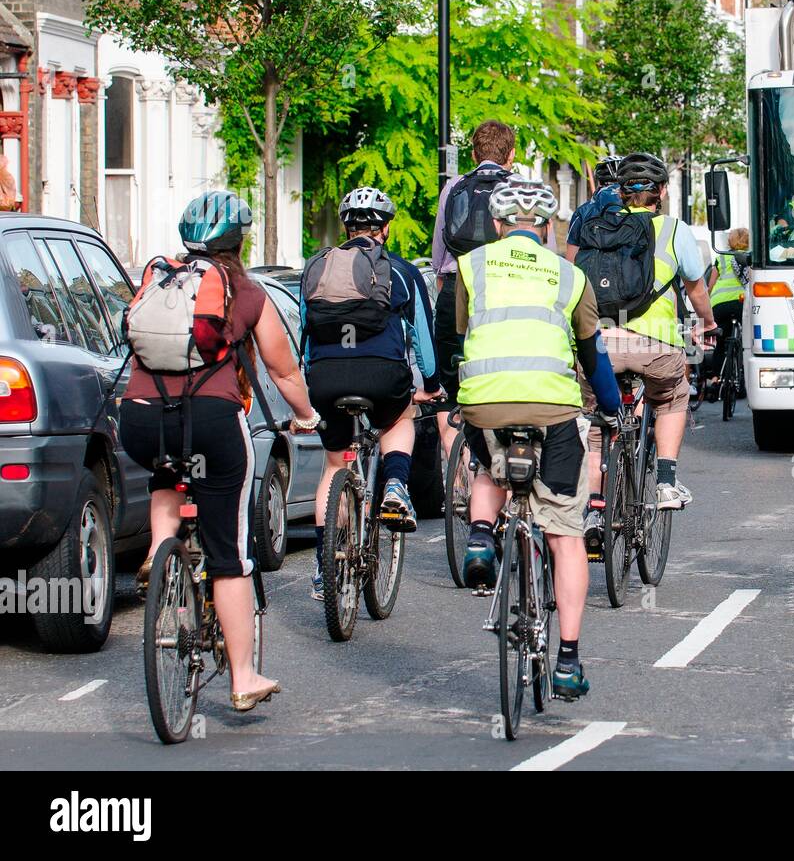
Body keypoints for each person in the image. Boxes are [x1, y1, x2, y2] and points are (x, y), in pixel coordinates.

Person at [121, 190, 318, 711]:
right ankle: (243, 675)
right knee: (230, 554)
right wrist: (306, 415)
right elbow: (282, 369)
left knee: (167, 472)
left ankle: (158, 554)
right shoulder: (244, 291)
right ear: (239, 240)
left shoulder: (162, 278)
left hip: (140, 418)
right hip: (210, 422)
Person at [454, 178, 621, 699]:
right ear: (547, 228)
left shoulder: (470, 266)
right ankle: (567, 661)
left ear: (498, 227)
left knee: (486, 465)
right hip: (552, 409)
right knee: (566, 537)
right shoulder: (569, 276)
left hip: (485, 403)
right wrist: (611, 407)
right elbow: (592, 355)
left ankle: (481, 536)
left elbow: (459, 332)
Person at [301, 186, 439, 601]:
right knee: (400, 419)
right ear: (387, 229)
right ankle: (396, 487)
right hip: (383, 375)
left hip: (325, 377)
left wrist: (312, 386)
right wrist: (430, 387)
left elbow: (304, 335)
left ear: (347, 226)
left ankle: (326, 567)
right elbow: (423, 342)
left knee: (333, 463)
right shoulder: (400, 272)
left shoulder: (317, 267)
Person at [576, 152, 717, 542]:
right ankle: (667, 481)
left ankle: (593, 507)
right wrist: (705, 322)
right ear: (664, 191)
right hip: (655, 347)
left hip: (600, 344)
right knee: (672, 396)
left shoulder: (595, 226)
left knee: (596, 425)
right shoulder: (674, 231)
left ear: (620, 192)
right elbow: (696, 288)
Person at [430, 121, 516, 463]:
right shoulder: (522, 189)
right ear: (511, 155)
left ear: (473, 154)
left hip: (456, 286)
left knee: (450, 390)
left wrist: (448, 291)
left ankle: (460, 475)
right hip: (505, 290)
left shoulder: (454, 186)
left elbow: (439, 254)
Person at [703, 227, 749, 393]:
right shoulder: (750, 258)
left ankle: (715, 379)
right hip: (741, 303)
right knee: (745, 343)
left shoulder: (721, 258)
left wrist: (706, 302)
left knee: (721, 343)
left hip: (719, 304)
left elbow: (711, 284)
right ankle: (741, 377)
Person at [564, 155, 623, 263]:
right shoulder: (638, 207)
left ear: (599, 182)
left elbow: (571, 258)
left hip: (590, 275)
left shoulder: (583, 211)